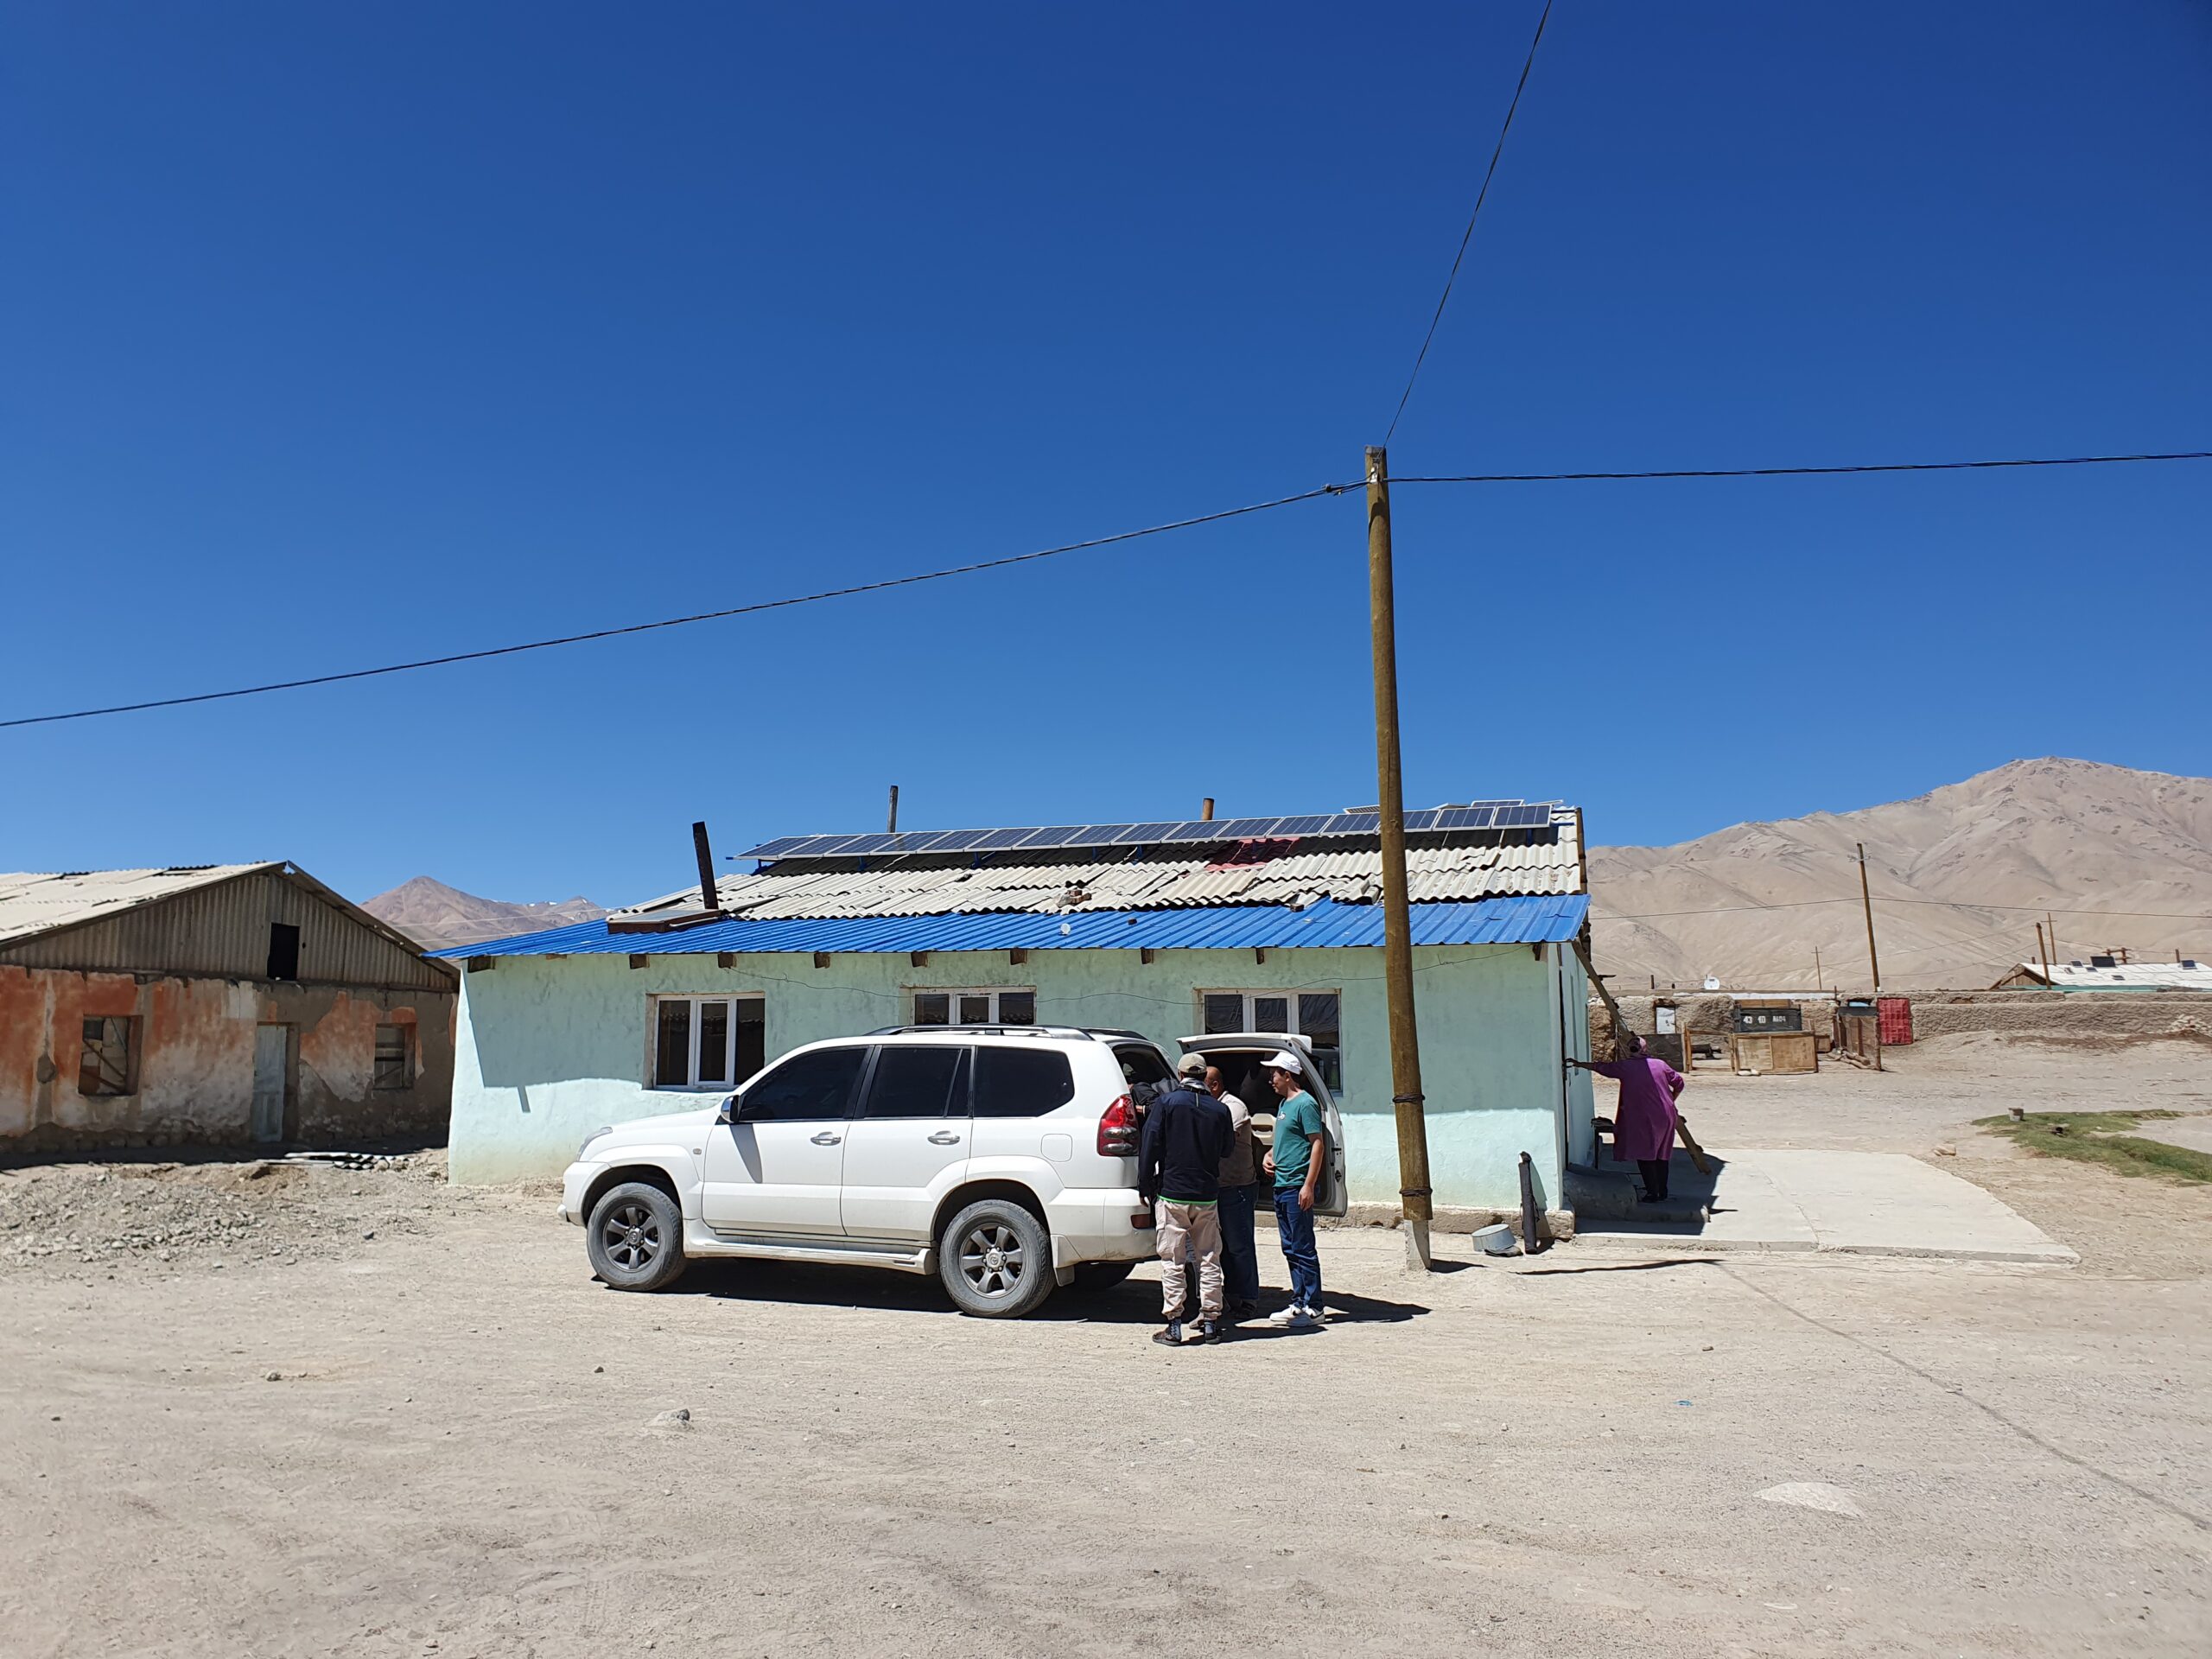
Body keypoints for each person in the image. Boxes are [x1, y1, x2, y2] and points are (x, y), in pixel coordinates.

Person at [1137, 1052, 1234, 1345]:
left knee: (1172, 1259)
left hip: (1172, 1193)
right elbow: (1227, 1149)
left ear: (1180, 1076)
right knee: (1209, 1259)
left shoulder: (1166, 1104)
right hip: (1206, 1194)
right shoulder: (1219, 1110)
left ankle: (1174, 1324)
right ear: (1205, 1078)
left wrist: (1143, 1183)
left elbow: (1150, 1144)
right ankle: (1211, 1323)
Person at [1572, 1033, 1685, 1201]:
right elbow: (1679, 1083)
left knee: (1645, 1153)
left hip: (1643, 1116)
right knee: (1661, 1153)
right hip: (1665, 1115)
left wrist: (1579, 1064)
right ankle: (1662, 1190)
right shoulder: (1660, 1064)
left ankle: (1653, 1192)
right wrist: (1671, 1100)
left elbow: (1602, 1067)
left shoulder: (1626, 1067)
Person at [1261, 1052, 1324, 1329]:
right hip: (1281, 1184)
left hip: (1297, 1185)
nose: (1270, 1080)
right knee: (1290, 1247)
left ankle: (1314, 1305)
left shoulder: (1305, 1104)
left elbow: (1317, 1143)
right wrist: (1269, 1154)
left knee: (1303, 1247)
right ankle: (1298, 1302)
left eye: (1274, 1074)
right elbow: (1284, 1139)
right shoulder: (1284, 1105)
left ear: (1287, 1075)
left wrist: (1308, 1184)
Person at [1205, 1065, 1262, 1320]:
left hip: (1236, 1186)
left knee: (1240, 1246)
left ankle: (1248, 1298)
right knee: (1220, 1247)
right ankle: (1230, 1295)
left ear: (1214, 1086)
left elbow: (1223, 1141)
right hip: (1216, 1187)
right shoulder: (1209, 1107)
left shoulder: (1234, 1107)